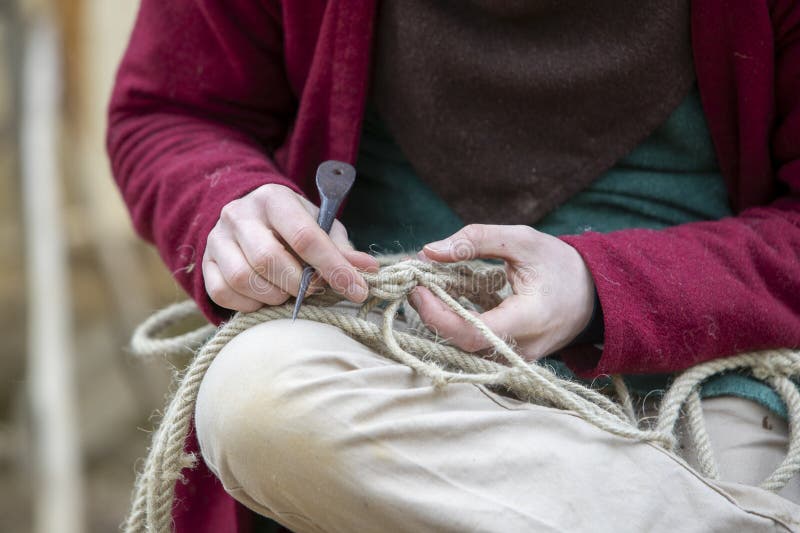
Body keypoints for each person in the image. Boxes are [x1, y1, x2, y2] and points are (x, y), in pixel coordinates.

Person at [108, 1, 800, 531]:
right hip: (381, 381)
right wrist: (227, 204)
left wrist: (599, 288)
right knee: (253, 399)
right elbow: (168, 110)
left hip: (708, 390)